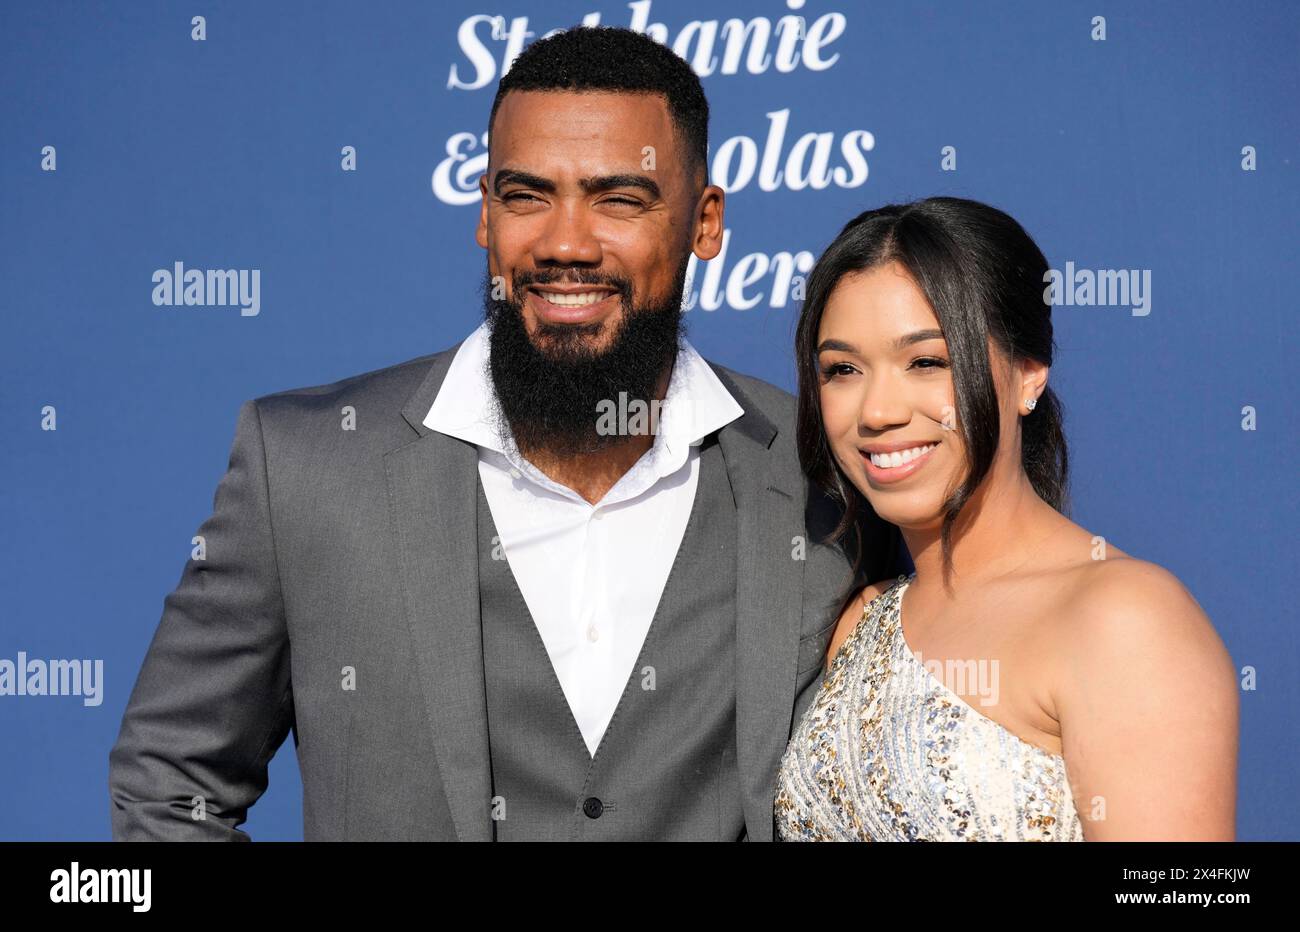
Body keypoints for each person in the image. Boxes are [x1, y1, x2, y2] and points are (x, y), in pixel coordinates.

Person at [108, 26, 899, 841]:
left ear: (704, 222)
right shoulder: (306, 468)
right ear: (485, 213)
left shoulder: (821, 474)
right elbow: (169, 786)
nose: (565, 244)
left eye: (619, 198)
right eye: (527, 196)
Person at [774, 197, 1238, 841]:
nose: (877, 410)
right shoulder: (860, 622)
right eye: (843, 369)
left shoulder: (1124, 618)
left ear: (1028, 373)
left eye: (926, 362)